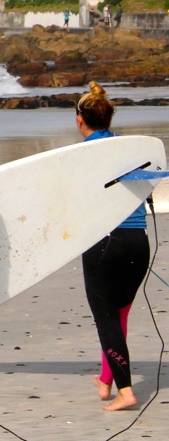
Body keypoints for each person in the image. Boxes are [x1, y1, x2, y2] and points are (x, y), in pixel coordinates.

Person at [76, 81, 150, 412]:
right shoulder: (129, 150)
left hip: (105, 243)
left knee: (106, 317)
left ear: (80, 120)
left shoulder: (80, 156)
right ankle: (106, 381)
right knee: (119, 314)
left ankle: (125, 389)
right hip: (138, 242)